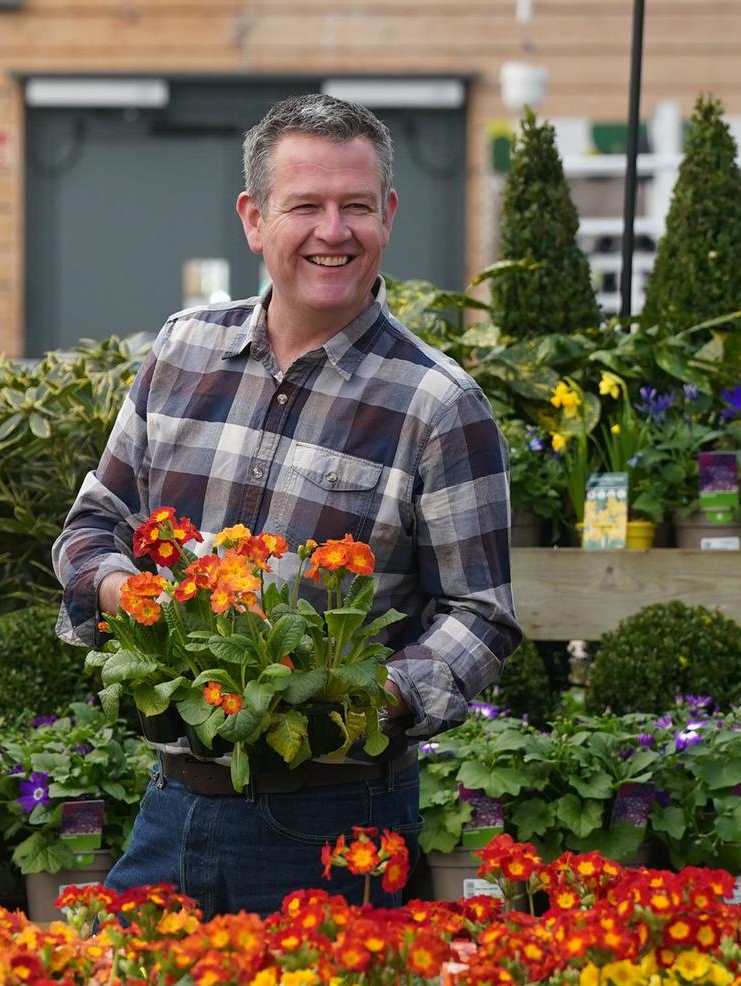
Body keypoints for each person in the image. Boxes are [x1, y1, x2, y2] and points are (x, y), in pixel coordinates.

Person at [52, 93, 520, 915]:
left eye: (356, 207)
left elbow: (481, 615)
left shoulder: (438, 403)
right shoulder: (182, 351)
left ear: (389, 216)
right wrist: (125, 591)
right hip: (173, 799)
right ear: (254, 218)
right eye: (305, 205)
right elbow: (95, 524)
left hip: (337, 817)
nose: (332, 231)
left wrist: (362, 696)